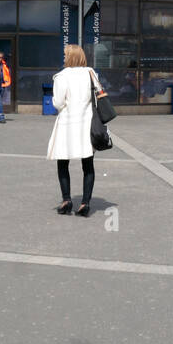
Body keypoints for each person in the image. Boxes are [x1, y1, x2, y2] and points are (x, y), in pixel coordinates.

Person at [47, 44, 103, 217]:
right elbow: (98, 97)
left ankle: (67, 201)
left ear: (71, 57)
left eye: (65, 55)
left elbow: (57, 103)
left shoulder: (61, 76)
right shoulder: (91, 73)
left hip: (67, 124)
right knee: (88, 165)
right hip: (87, 125)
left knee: (63, 162)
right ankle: (85, 203)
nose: (63, 58)